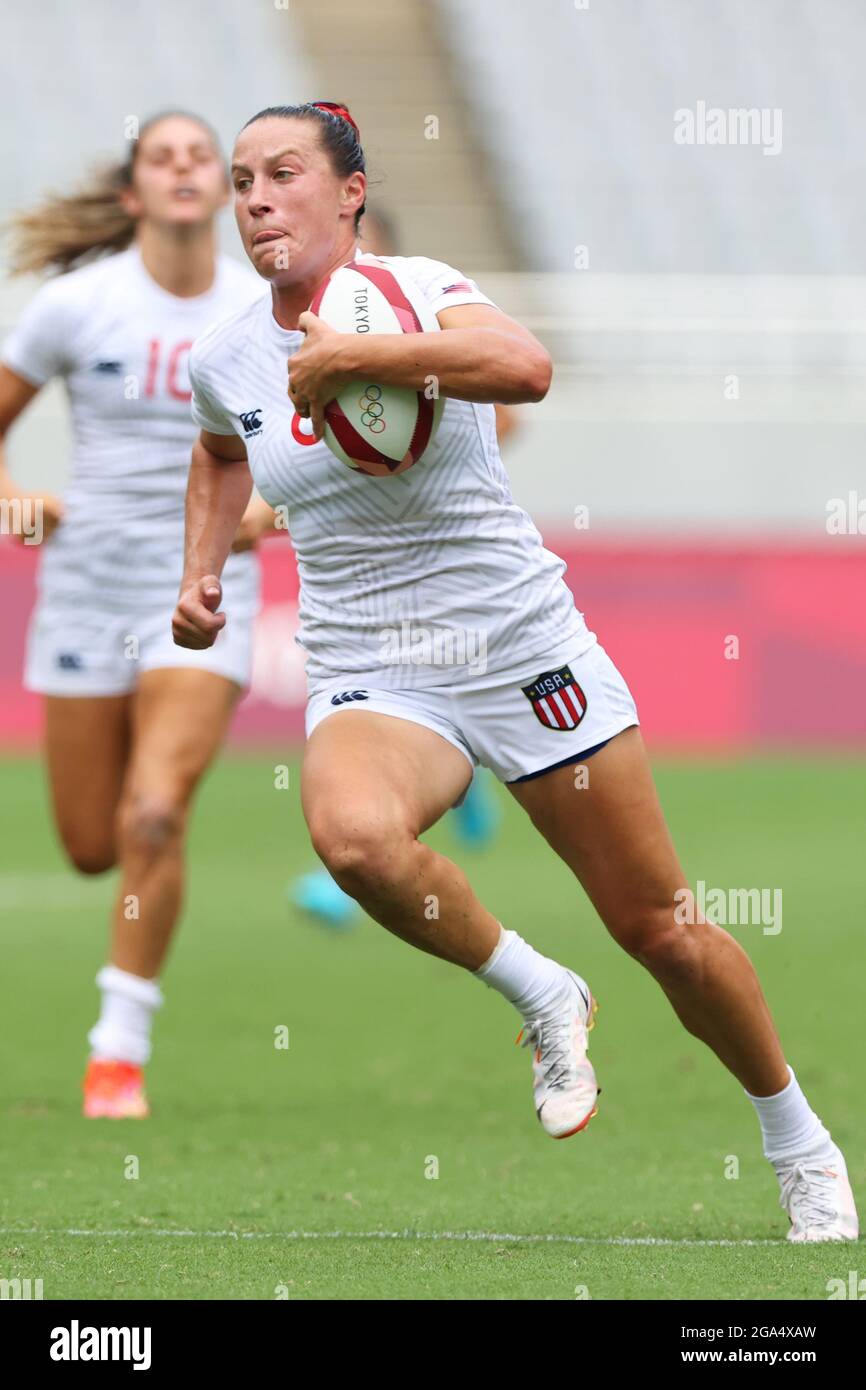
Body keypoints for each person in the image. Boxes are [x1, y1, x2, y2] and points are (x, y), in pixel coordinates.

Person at [172, 100, 857, 1242]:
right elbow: (214, 450)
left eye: (282, 174)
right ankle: (541, 991)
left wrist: (359, 357)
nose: (254, 200)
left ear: (348, 192)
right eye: (241, 181)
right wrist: (201, 571)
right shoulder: (225, 354)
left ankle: (797, 1137)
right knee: (349, 839)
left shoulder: (421, 289)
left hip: (517, 647)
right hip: (375, 663)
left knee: (661, 930)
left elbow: (524, 366)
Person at [0, 111, 266, 1117]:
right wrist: (17, 502)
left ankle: (117, 1046)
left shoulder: (263, 312)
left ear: (227, 187)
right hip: (85, 589)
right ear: (133, 194)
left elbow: (311, 450)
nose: (186, 169)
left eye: (204, 157)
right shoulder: (77, 307)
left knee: (156, 808)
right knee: (91, 842)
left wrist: (268, 514)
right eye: (166, 157)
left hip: (199, 590)